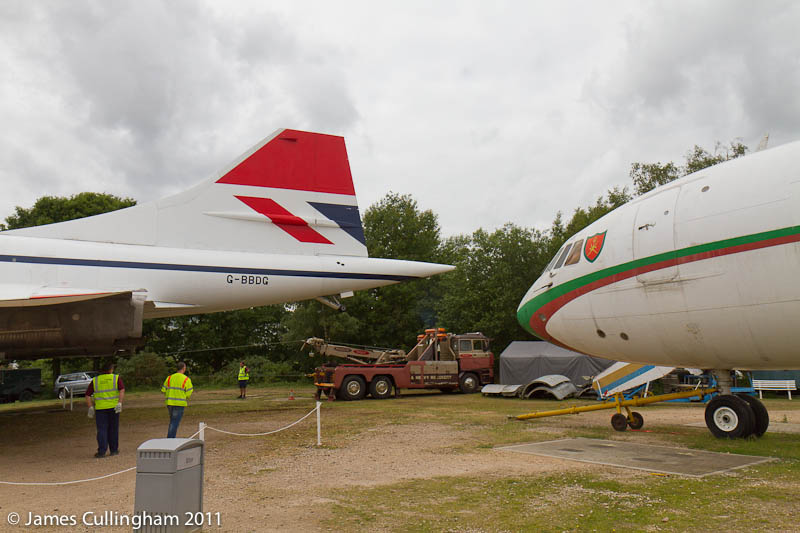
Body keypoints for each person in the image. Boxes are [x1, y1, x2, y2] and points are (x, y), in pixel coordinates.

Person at [85, 361, 124, 458]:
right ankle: (114, 450)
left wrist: (90, 407)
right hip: (113, 407)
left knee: (102, 430)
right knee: (113, 429)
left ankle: (102, 451)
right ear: (111, 369)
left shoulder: (95, 380)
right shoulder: (116, 378)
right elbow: (121, 390)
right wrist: (120, 402)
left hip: (100, 409)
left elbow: (88, 395)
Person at [161, 362, 193, 438]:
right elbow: (189, 393)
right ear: (184, 368)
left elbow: (163, 390)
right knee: (174, 422)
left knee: (172, 421)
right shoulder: (186, 379)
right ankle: (170, 439)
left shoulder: (169, 378)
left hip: (170, 403)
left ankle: (171, 438)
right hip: (180, 404)